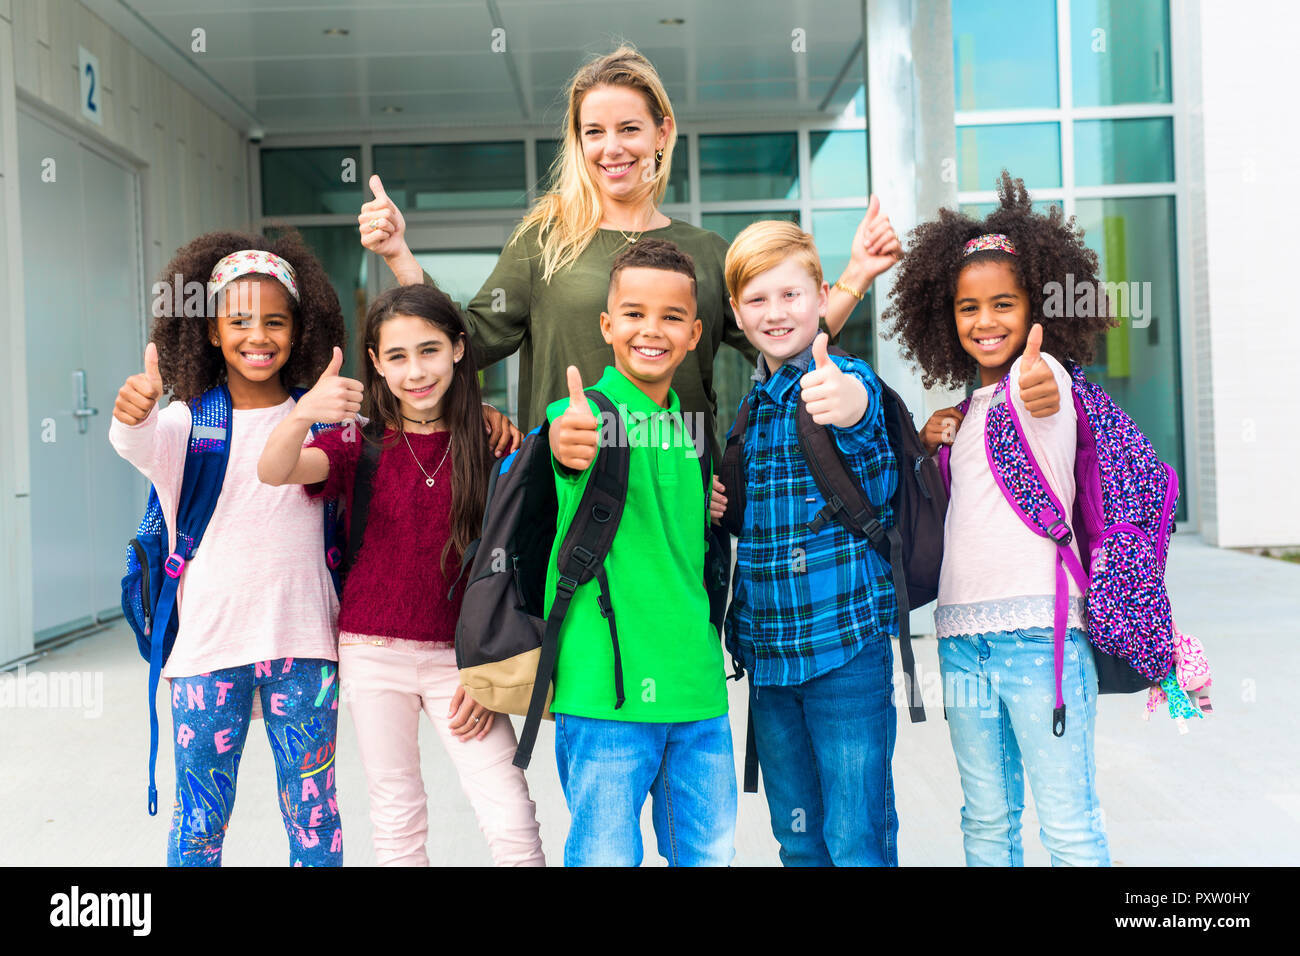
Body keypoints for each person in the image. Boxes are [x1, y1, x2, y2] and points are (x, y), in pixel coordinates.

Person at [357, 44, 900, 458]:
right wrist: (400, 255)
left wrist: (857, 272)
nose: (611, 148)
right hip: (569, 492)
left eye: (629, 129)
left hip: (681, 498)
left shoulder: (708, 253)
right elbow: (465, 341)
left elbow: (789, 337)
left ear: (662, 133)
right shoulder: (545, 240)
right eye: (593, 132)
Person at [258, 283, 545, 867]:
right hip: (371, 653)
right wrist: (305, 413)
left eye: (430, 350)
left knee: (509, 813)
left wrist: (486, 668)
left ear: (459, 350)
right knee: (396, 814)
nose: (415, 371)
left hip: (460, 659)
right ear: (375, 364)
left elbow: (515, 560)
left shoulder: (491, 444)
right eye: (396, 356)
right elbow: (274, 469)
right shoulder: (358, 443)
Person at [882, 171, 1115, 866]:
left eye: (1004, 304)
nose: (985, 321)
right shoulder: (964, 411)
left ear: (1037, 307)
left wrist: (1041, 378)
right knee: (984, 823)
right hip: (959, 638)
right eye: (968, 308)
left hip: (1041, 641)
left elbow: (1043, 399)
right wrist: (930, 448)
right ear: (944, 317)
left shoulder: (1048, 385)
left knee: (1067, 826)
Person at [109, 230, 348, 866]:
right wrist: (134, 410)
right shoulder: (186, 424)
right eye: (238, 320)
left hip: (306, 647)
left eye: (275, 321)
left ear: (298, 331)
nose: (258, 336)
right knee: (199, 826)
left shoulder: (323, 422)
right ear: (212, 332)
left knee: (315, 819)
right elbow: (133, 442)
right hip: (208, 653)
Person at [713, 221, 900, 866]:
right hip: (770, 658)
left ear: (823, 297)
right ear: (736, 313)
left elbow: (864, 430)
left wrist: (846, 404)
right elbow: (762, 520)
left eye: (791, 295)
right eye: (757, 300)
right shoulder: (753, 406)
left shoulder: (843, 378)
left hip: (845, 649)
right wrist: (726, 506)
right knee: (797, 838)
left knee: (857, 840)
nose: (775, 312)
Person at [545, 238, 733, 866]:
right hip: (607, 698)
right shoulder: (581, 417)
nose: (650, 330)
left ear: (694, 333)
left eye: (671, 317)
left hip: (699, 692)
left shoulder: (689, 433)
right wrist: (567, 441)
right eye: (633, 313)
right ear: (606, 325)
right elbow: (570, 452)